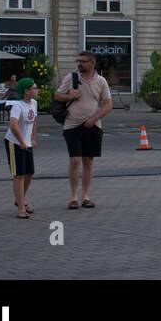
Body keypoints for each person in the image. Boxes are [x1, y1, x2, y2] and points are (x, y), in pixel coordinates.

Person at [54, 52, 112, 209]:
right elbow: (57, 95)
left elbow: (107, 104)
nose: (79, 64)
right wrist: (69, 96)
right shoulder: (71, 77)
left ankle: (85, 196)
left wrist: (94, 118)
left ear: (92, 62)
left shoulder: (101, 81)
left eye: (82, 61)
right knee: (74, 160)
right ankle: (73, 197)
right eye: (77, 61)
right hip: (72, 125)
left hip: (93, 125)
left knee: (88, 161)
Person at [5, 78, 39, 219]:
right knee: (19, 175)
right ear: (26, 91)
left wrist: (32, 138)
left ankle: (20, 198)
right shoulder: (18, 105)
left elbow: (35, 120)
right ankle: (20, 208)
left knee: (29, 173)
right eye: (34, 88)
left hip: (26, 142)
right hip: (14, 142)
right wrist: (21, 141)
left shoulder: (34, 103)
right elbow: (13, 125)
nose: (37, 90)